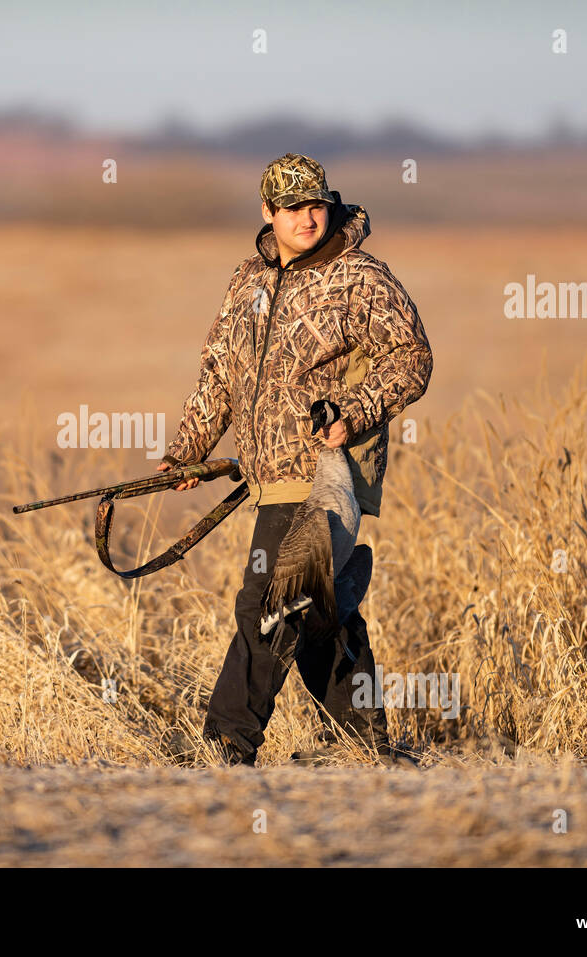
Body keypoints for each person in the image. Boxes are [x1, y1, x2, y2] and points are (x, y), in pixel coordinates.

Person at [156, 152, 433, 767]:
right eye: (293, 208)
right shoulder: (246, 281)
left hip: (324, 476)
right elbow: (220, 373)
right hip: (268, 474)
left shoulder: (360, 275)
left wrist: (352, 413)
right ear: (268, 212)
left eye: (317, 205)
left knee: (270, 604)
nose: (308, 218)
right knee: (314, 616)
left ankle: (227, 744)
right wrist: (187, 451)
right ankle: (374, 748)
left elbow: (412, 359)